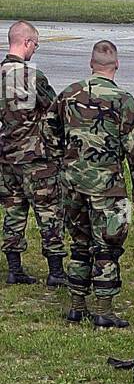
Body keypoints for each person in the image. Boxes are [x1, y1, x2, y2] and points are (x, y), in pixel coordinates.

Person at [55, 39, 134, 328]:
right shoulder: (123, 100)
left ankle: (76, 306)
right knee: (107, 247)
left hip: (72, 183)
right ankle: (103, 310)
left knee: (79, 244)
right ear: (116, 65)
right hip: (107, 186)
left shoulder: (69, 94)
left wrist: (65, 163)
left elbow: (50, 133)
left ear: (91, 63)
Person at [0, 19, 65, 287]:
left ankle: (14, 268)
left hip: (6, 157)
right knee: (49, 214)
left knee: (13, 213)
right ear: (26, 42)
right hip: (35, 159)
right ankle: (56, 271)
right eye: (35, 45)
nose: (35, 50)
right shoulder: (30, 76)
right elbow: (54, 109)